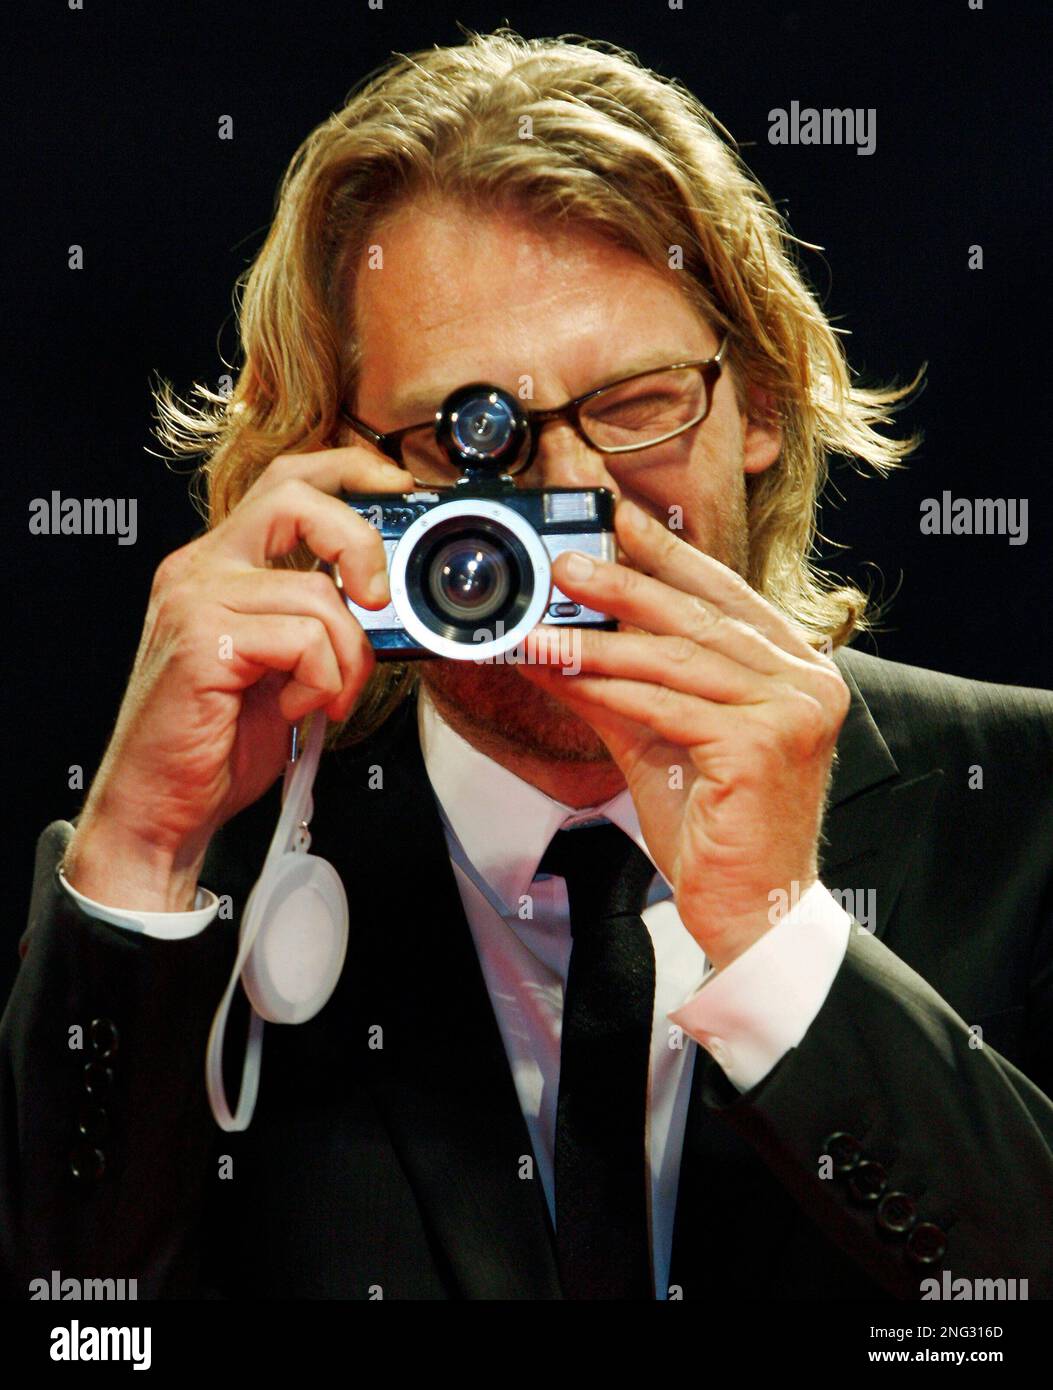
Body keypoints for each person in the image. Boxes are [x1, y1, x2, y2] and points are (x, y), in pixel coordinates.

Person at [2, 29, 1051, 1302]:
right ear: (335, 474)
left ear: (762, 401)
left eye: (638, 401)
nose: (573, 495)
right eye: (470, 437)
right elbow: (74, 1333)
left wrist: (783, 946)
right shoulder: (188, 897)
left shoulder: (1025, 805)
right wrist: (137, 853)